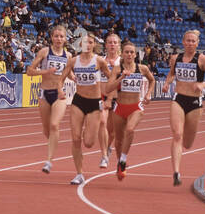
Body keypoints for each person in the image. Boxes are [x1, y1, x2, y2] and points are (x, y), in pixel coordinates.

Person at [164, 29, 205, 186]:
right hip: (178, 99)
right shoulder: (176, 58)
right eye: (187, 40)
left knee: (187, 143)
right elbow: (171, 74)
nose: (190, 43)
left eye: (192, 41)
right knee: (177, 134)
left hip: (195, 103)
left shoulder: (202, 60)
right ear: (183, 42)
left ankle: (180, 156)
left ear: (197, 43)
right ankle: (176, 172)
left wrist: (203, 84)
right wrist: (168, 82)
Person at [58, 34, 115, 186]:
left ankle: (87, 133)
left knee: (89, 142)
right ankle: (79, 173)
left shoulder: (99, 61)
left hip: (94, 103)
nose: (87, 45)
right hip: (78, 101)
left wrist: (109, 98)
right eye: (84, 42)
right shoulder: (73, 61)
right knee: (75, 139)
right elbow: (61, 78)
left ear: (94, 45)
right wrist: (60, 90)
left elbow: (111, 81)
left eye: (90, 42)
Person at [26, 23, 73, 175]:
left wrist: (78, 79)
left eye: (61, 36)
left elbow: (70, 75)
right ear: (52, 38)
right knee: (47, 130)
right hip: (44, 93)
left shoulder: (69, 56)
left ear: (65, 39)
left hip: (60, 94)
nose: (59, 39)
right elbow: (29, 71)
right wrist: (45, 71)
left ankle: (49, 161)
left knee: (54, 125)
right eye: (56, 36)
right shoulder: (45, 52)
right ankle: (52, 145)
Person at [107, 41, 157, 180]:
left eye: (131, 52)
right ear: (122, 54)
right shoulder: (117, 69)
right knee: (118, 140)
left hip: (135, 107)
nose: (129, 54)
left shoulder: (142, 68)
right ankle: (119, 163)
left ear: (135, 54)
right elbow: (108, 88)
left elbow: (152, 81)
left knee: (130, 130)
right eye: (126, 52)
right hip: (119, 107)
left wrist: (148, 94)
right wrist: (122, 77)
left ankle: (123, 159)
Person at [98, 31, 122, 169]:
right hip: (102, 97)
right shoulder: (100, 60)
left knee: (112, 131)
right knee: (102, 122)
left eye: (115, 42)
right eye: (110, 42)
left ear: (119, 45)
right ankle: (104, 156)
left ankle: (107, 147)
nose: (112, 45)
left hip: (118, 98)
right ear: (105, 45)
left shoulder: (123, 61)